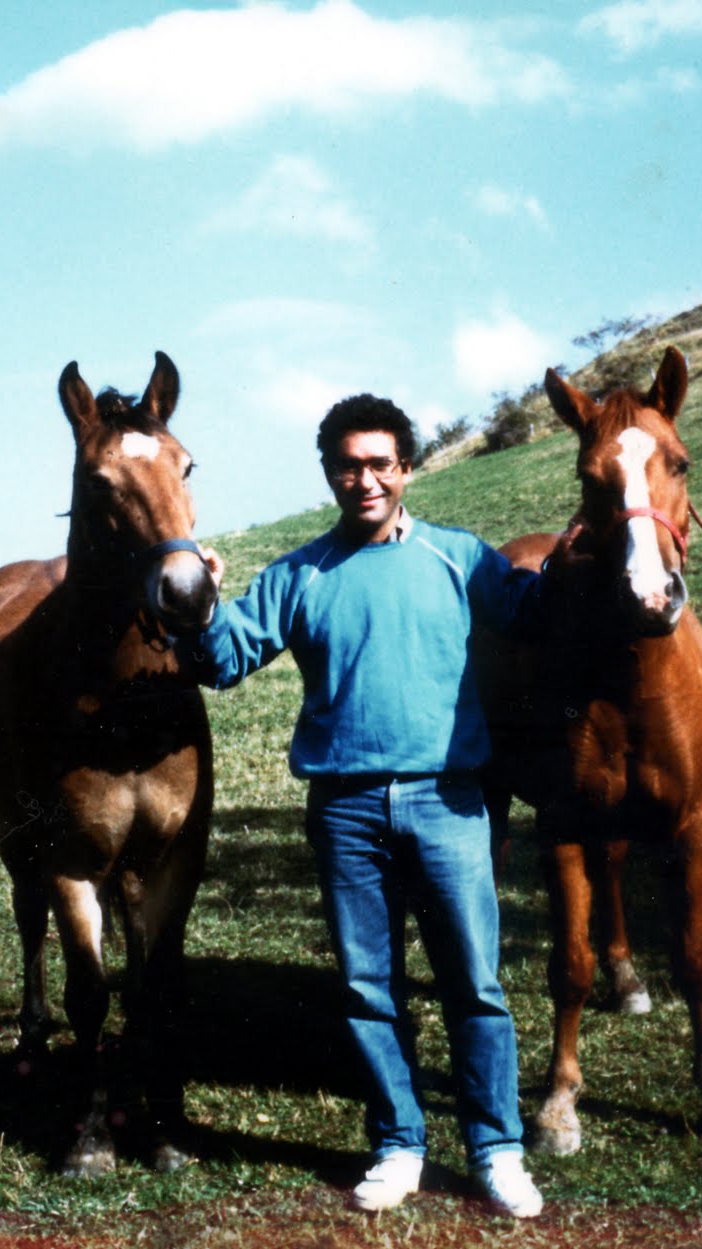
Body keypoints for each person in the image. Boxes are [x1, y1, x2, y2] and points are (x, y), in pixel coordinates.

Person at [185, 394, 546, 1218]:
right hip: (345, 808)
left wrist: (586, 555)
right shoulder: (300, 574)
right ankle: (398, 1143)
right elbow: (224, 658)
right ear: (328, 474)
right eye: (348, 466)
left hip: (448, 801)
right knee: (367, 987)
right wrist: (202, 603)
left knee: (475, 984)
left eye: (381, 463)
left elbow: (535, 613)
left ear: (407, 468)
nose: (366, 479)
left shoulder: (460, 557)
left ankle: (497, 1149)